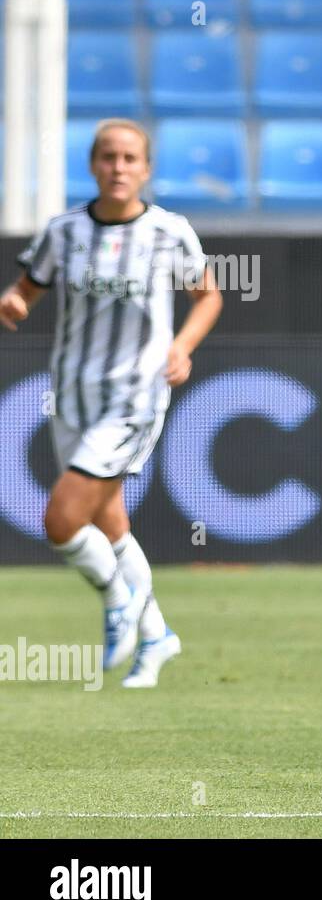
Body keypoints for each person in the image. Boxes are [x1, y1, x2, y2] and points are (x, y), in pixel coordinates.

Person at [0, 118, 223, 687]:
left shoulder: (170, 232)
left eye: (129, 159)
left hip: (134, 396)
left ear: (145, 169)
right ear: (93, 166)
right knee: (110, 519)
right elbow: (29, 287)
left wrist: (183, 345)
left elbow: (207, 295)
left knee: (60, 519)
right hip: (72, 395)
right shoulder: (64, 232)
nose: (118, 168)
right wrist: (15, 302)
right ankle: (157, 638)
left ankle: (119, 601)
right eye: (108, 158)